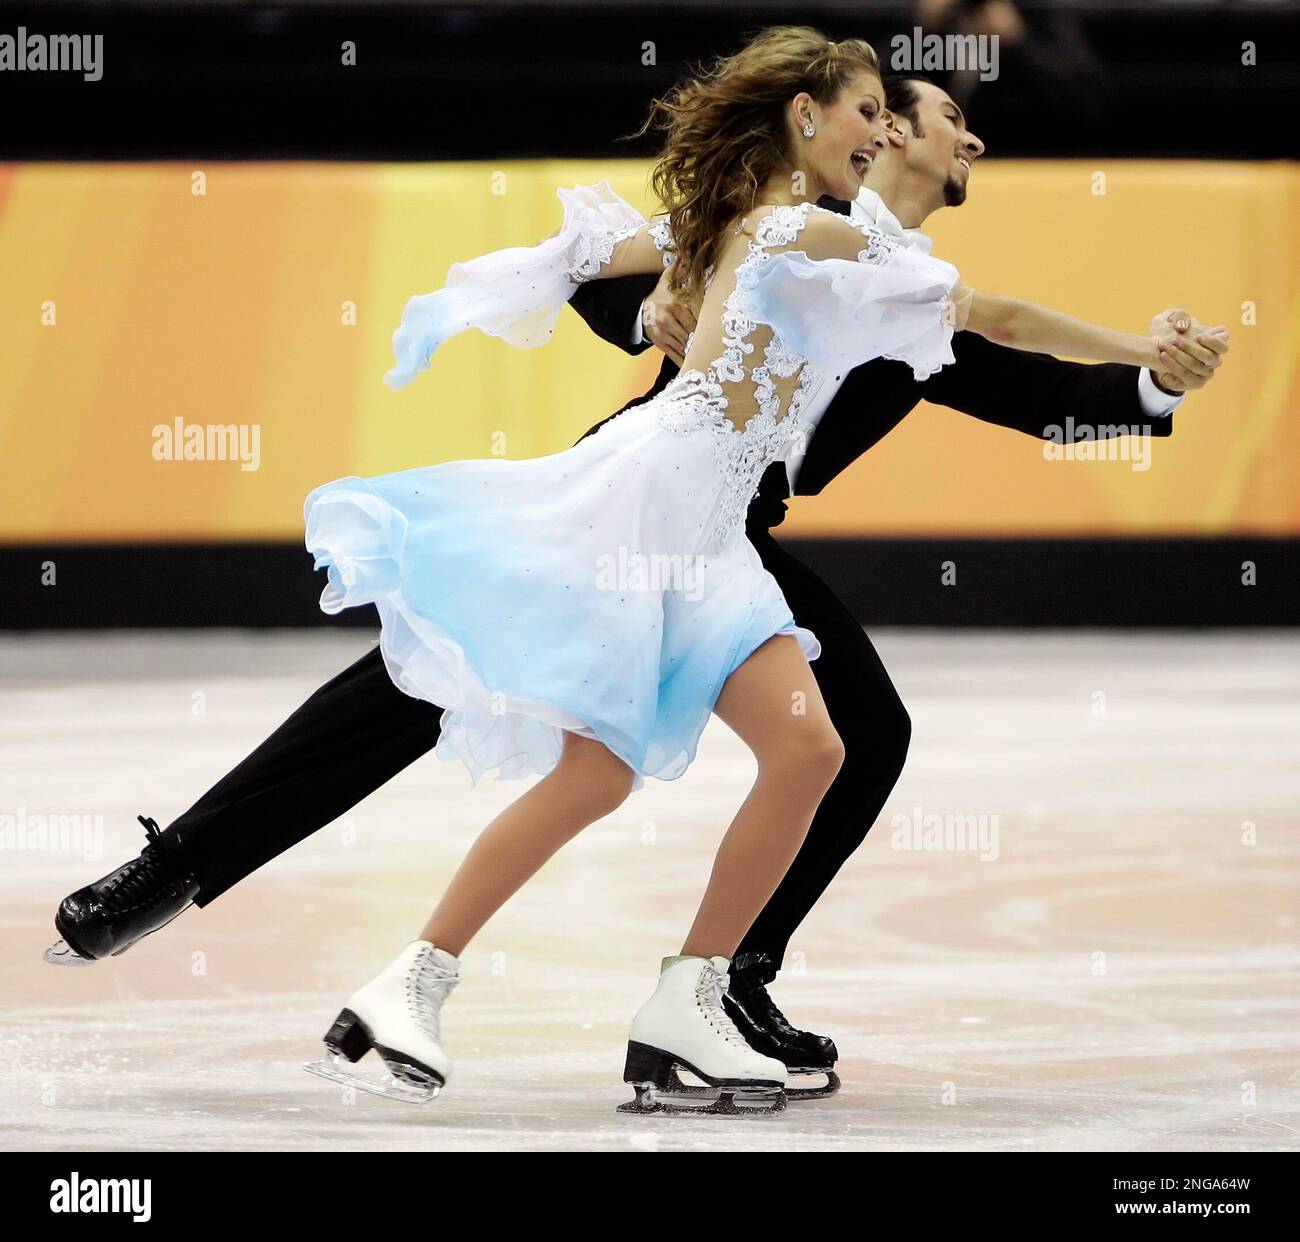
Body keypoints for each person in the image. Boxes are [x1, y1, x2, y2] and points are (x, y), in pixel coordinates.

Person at [47, 42, 1228, 1112]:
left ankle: (724, 982)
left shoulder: (900, 279)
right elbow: (615, 271)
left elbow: (1034, 380)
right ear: (863, 126)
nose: (967, 136)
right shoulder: (785, 214)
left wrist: (1154, 378)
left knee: (840, 737)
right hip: (636, 498)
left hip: (729, 535)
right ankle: (179, 866)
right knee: (424, 677)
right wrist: (657, 306)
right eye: (929, 115)